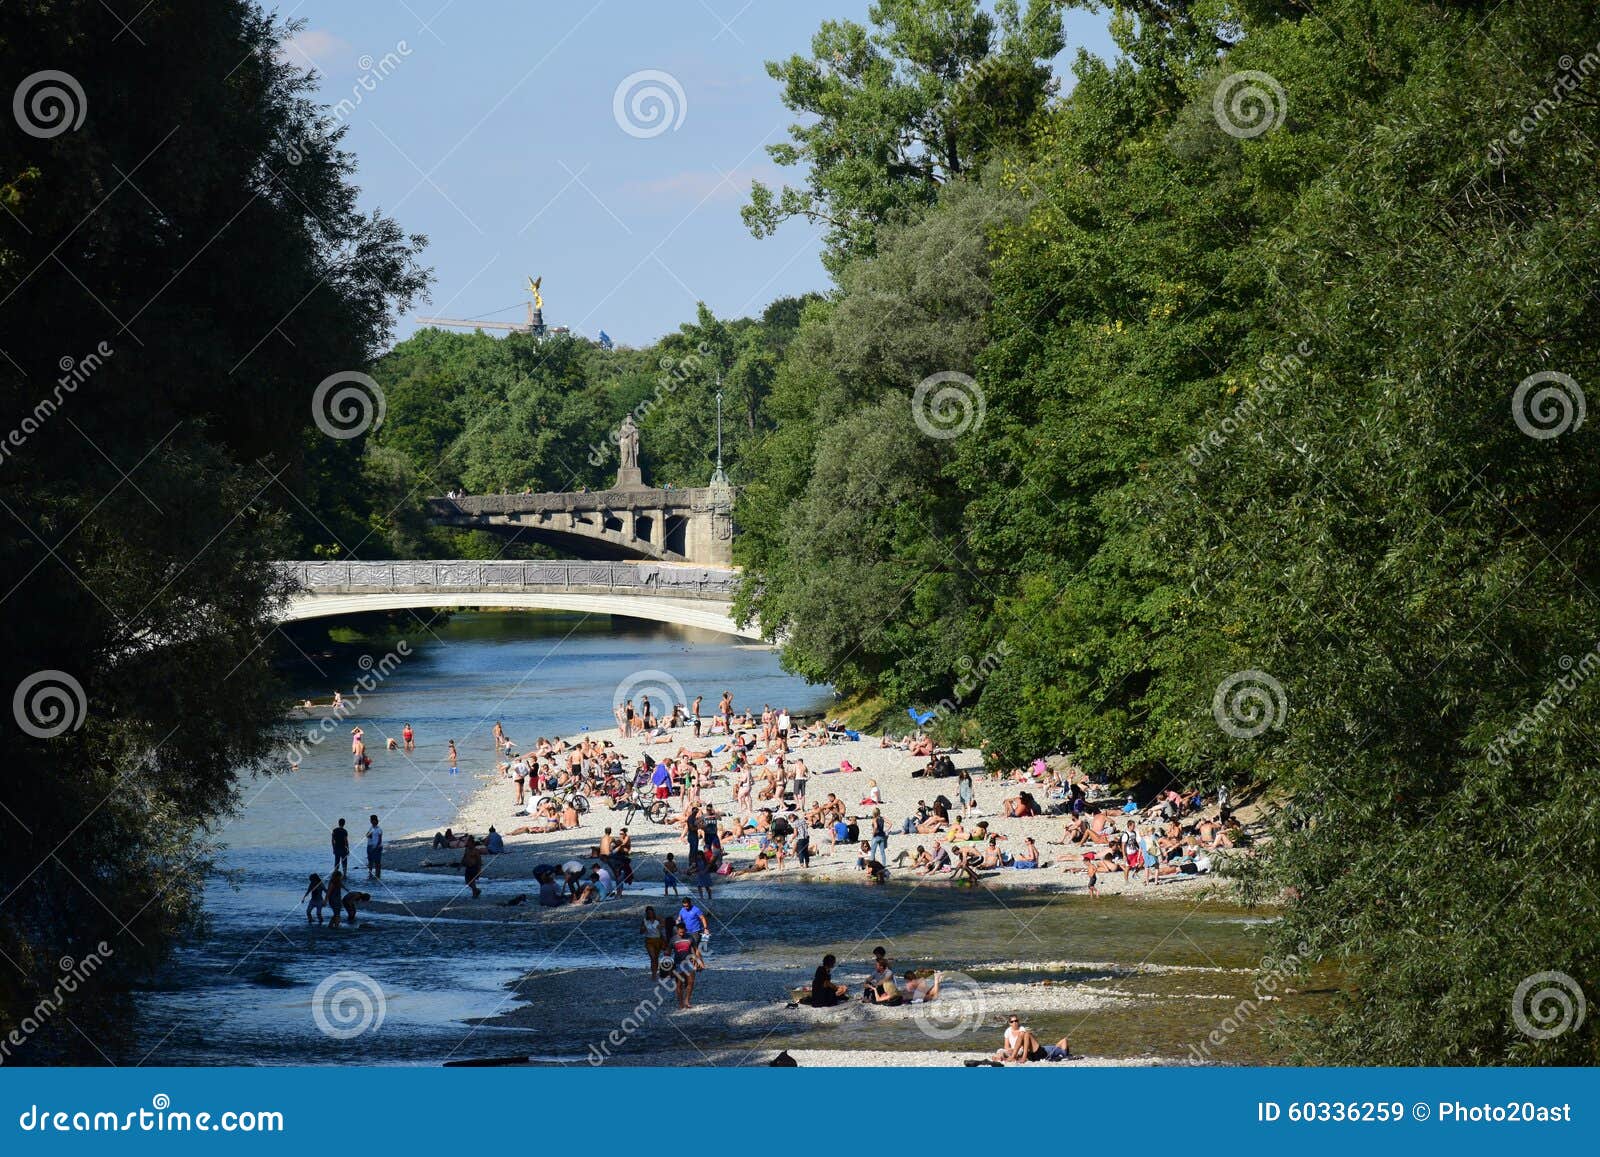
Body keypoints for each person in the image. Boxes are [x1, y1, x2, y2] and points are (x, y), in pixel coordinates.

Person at [992, 1016, 1071, 1063]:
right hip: (1037, 1052)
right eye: (1012, 1021)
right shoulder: (1056, 1049)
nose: (1015, 1023)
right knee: (1001, 1050)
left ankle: (1019, 1057)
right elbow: (1061, 1043)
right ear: (1009, 1023)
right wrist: (1058, 1046)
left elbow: (1064, 1040)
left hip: (1040, 1052)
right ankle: (1003, 1056)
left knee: (1026, 1033)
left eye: (1016, 1021)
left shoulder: (1061, 1052)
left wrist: (1064, 1051)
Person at [669, 920, 702, 1009]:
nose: (682, 934)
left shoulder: (690, 938)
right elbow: (667, 953)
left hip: (689, 963)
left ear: (685, 930)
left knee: (691, 982)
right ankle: (680, 1003)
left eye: (683, 932)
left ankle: (687, 1001)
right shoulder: (673, 939)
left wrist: (699, 962)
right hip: (678, 964)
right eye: (680, 932)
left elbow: (696, 950)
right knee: (679, 984)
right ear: (677, 930)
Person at [642, 906, 666, 974]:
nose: (650, 914)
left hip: (658, 940)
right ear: (646, 913)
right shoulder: (644, 920)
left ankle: (655, 971)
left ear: (653, 912)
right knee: (652, 957)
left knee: (656, 957)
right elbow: (641, 931)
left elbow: (664, 924)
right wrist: (643, 929)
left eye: (651, 913)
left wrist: (661, 925)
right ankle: (653, 973)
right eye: (648, 913)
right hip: (649, 940)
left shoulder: (658, 919)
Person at [365, 814, 382, 880]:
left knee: (377, 862)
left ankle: (377, 875)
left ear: (375, 821)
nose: (371, 821)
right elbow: (367, 835)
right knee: (370, 861)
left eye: (371, 820)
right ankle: (370, 874)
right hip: (370, 846)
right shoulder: (371, 827)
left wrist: (376, 847)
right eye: (370, 820)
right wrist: (370, 835)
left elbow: (380, 840)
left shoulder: (379, 829)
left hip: (377, 847)